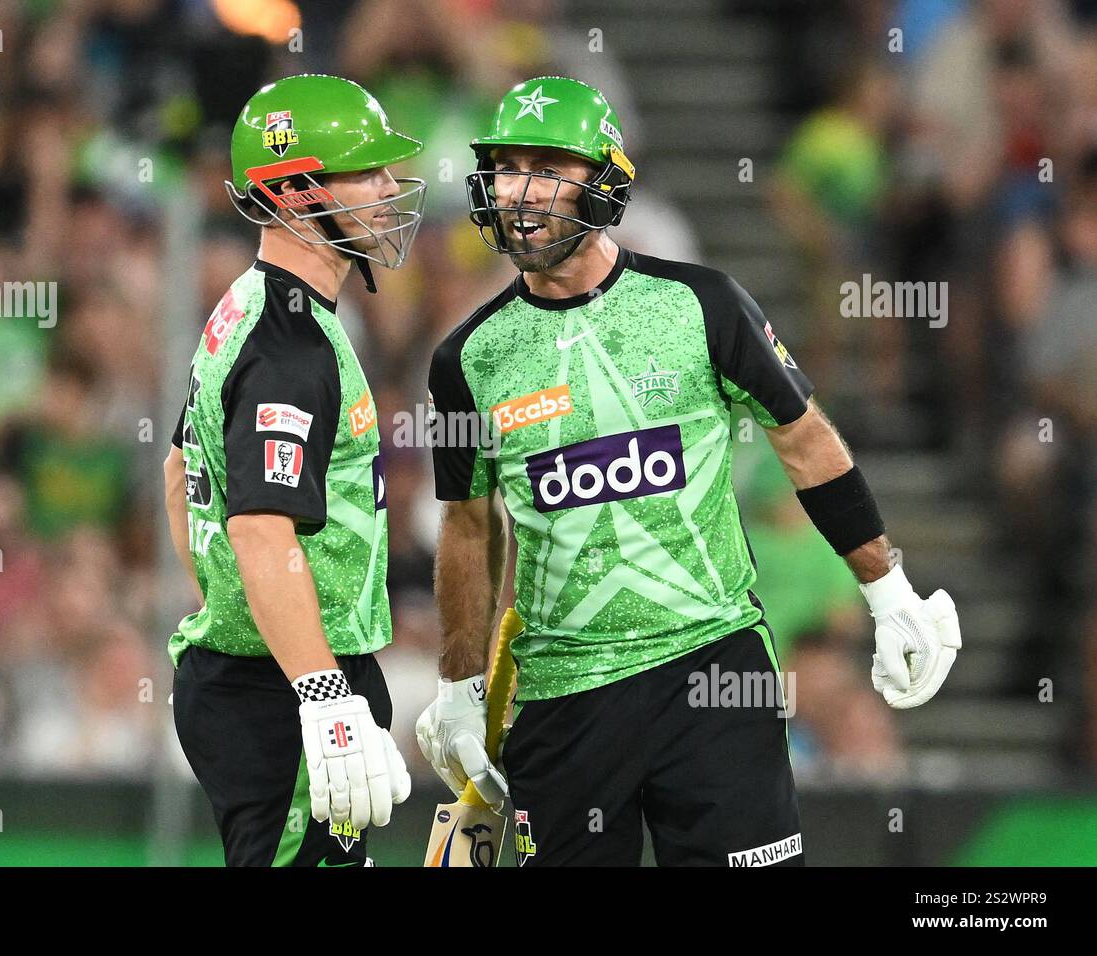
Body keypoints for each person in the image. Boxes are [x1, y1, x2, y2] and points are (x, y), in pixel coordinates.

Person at [416, 76, 963, 867]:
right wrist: (461, 687)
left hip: (712, 674)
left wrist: (887, 590)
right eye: (506, 166)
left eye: (549, 165)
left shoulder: (702, 304)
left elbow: (806, 443)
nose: (522, 191)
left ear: (604, 180)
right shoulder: (466, 359)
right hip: (562, 700)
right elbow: (468, 526)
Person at [165, 74, 424, 867]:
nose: (388, 189)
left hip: (261, 672)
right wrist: (321, 695)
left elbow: (179, 477)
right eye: (365, 172)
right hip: (286, 691)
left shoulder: (247, 307)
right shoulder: (291, 349)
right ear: (295, 191)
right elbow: (257, 527)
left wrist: (239, 615)